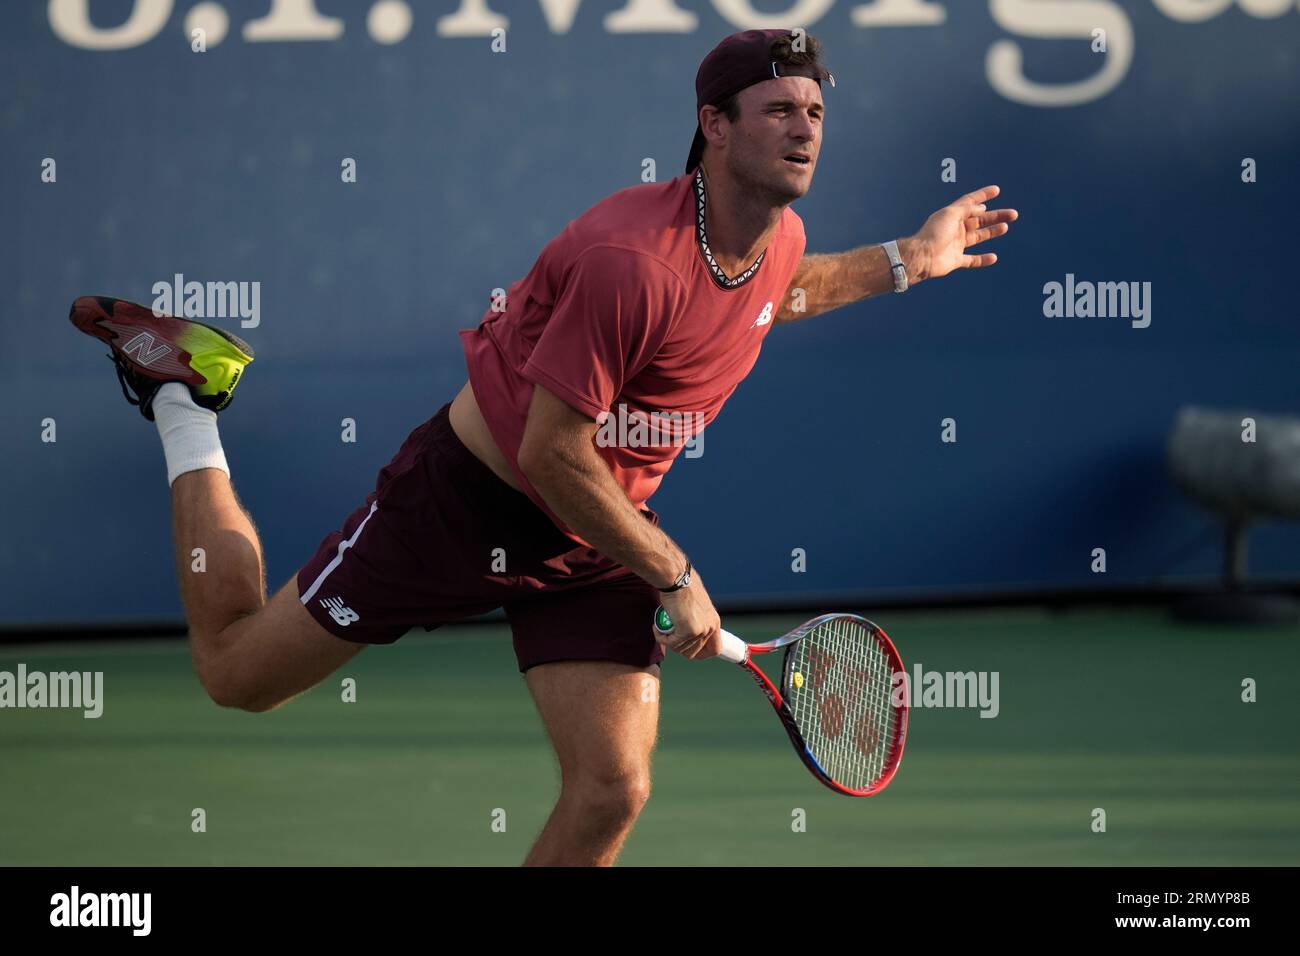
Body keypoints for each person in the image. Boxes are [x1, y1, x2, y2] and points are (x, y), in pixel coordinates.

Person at [71, 28, 1017, 866]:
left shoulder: (773, 239)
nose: (804, 127)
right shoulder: (629, 265)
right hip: (465, 502)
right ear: (715, 126)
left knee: (613, 789)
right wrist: (672, 572)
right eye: (777, 109)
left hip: (590, 536)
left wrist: (908, 261)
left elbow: (777, 295)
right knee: (238, 677)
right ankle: (187, 400)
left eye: (814, 109)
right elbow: (550, 452)